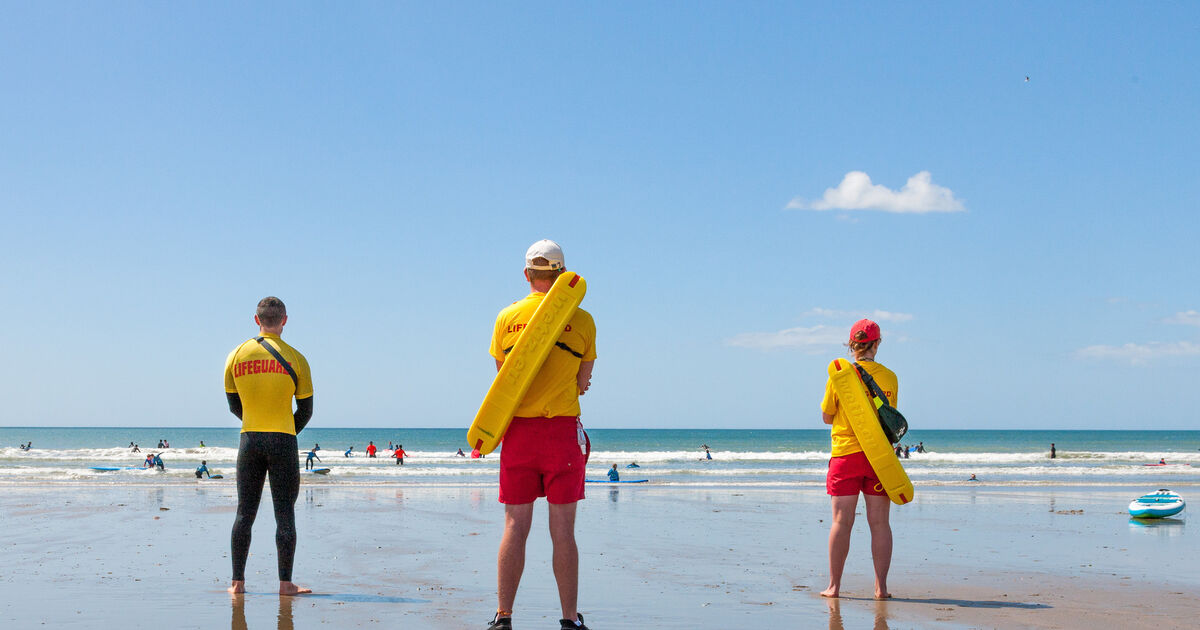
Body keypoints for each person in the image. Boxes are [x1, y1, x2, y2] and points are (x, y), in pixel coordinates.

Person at [486, 239, 596, 630]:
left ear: (527, 274)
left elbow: (505, 381)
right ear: (562, 274)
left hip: (519, 434)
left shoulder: (506, 318)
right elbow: (583, 381)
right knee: (563, 530)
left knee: (515, 526)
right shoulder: (583, 321)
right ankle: (568, 620)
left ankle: (504, 617)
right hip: (561, 433)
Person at [223, 296, 314, 596]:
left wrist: (255, 425)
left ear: (256, 319)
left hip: (249, 441)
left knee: (243, 514)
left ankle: (237, 583)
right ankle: (285, 584)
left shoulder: (235, 355)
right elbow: (306, 410)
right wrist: (285, 431)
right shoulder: (297, 359)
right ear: (285, 320)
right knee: (284, 513)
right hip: (283, 442)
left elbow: (234, 405)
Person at [820, 319, 897, 600]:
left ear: (851, 345)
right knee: (880, 524)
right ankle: (881, 588)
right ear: (877, 344)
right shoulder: (889, 378)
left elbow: (827, 416)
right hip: (878, 458)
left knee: (841, 522)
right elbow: (888, 417)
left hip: (845, 455)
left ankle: (834, 587)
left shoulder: (838, 377)